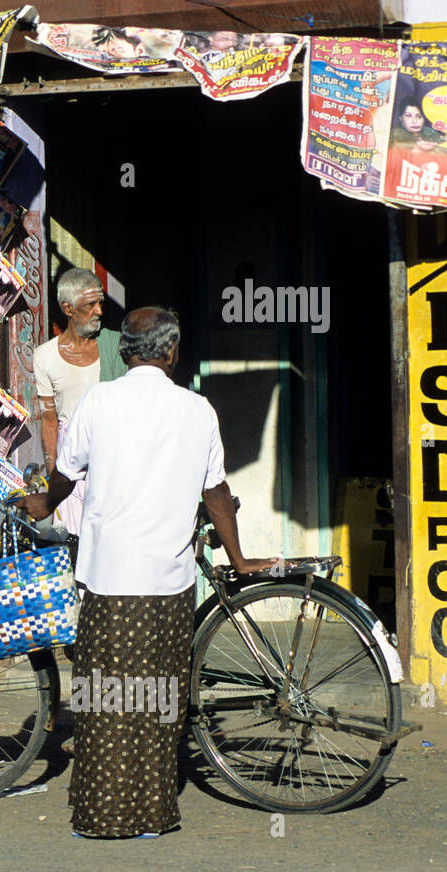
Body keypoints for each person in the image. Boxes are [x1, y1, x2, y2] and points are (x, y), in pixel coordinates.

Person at [23, 307, 274, 839]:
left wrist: (45, 502)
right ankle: (153, 816)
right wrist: (239, 558)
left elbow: (66, 474)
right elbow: (217, 494)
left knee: (104, 698)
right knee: (160, 698)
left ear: (123, 352)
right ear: (171, 351)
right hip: (169, 581)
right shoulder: (198, 409)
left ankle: (100, 816)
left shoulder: (99, 401)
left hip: (110, 578)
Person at [34, 268, 126, 536]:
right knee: (78, 541)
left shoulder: (118, 346)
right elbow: (49, 418)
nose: (99, 311)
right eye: (90, 305)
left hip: (114, 456)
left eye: (101, 303)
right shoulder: (45, 356)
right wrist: (54, 474)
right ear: (68, 309)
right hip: (71, 463)